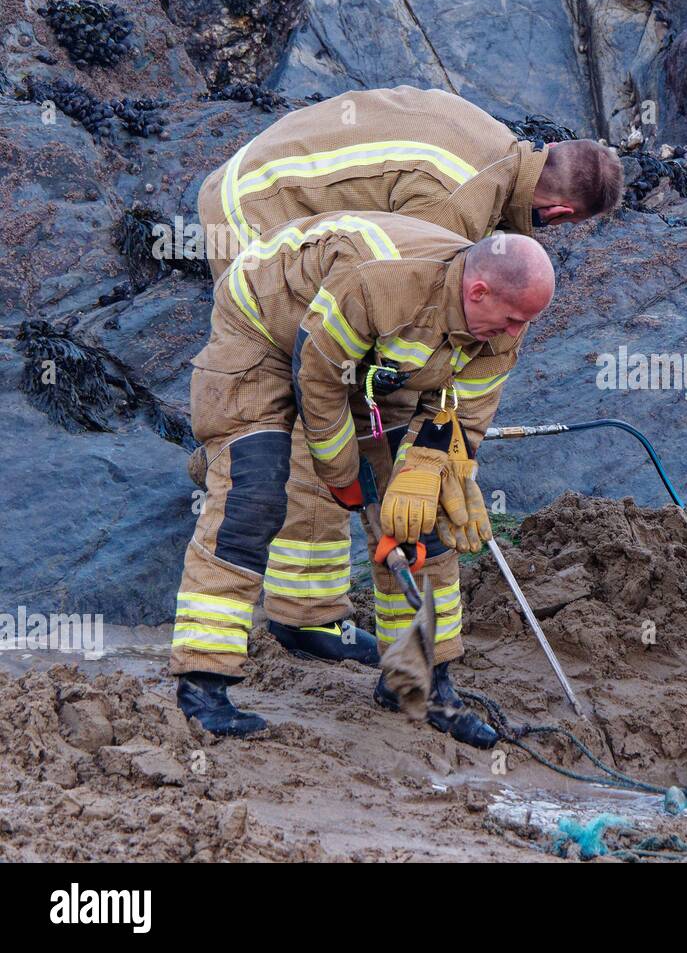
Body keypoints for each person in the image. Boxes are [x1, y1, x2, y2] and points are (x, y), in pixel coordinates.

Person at [188, 86, 621, 666]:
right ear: (562, 213)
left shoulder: (495, 147)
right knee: (316, 395)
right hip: (261, 207)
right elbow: (396, 323)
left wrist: (443, 450)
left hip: (264, 179)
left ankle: (297, 585)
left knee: (339, 398)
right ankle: (306, 614)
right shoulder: (455, 206)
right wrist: (417, 458)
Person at [171, 212, 554, 740]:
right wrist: (347, 478)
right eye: (512, 320)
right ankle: (202, 685)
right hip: (262, 329)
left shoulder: (503, 325)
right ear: (480, 290)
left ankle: (416, 680)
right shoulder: (381, 280)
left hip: (367, 358)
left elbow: (461, 414)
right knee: (252, 495)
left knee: (423, 515)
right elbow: (320, 379)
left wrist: (428, 466)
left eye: (524, 323)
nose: (517, 334)